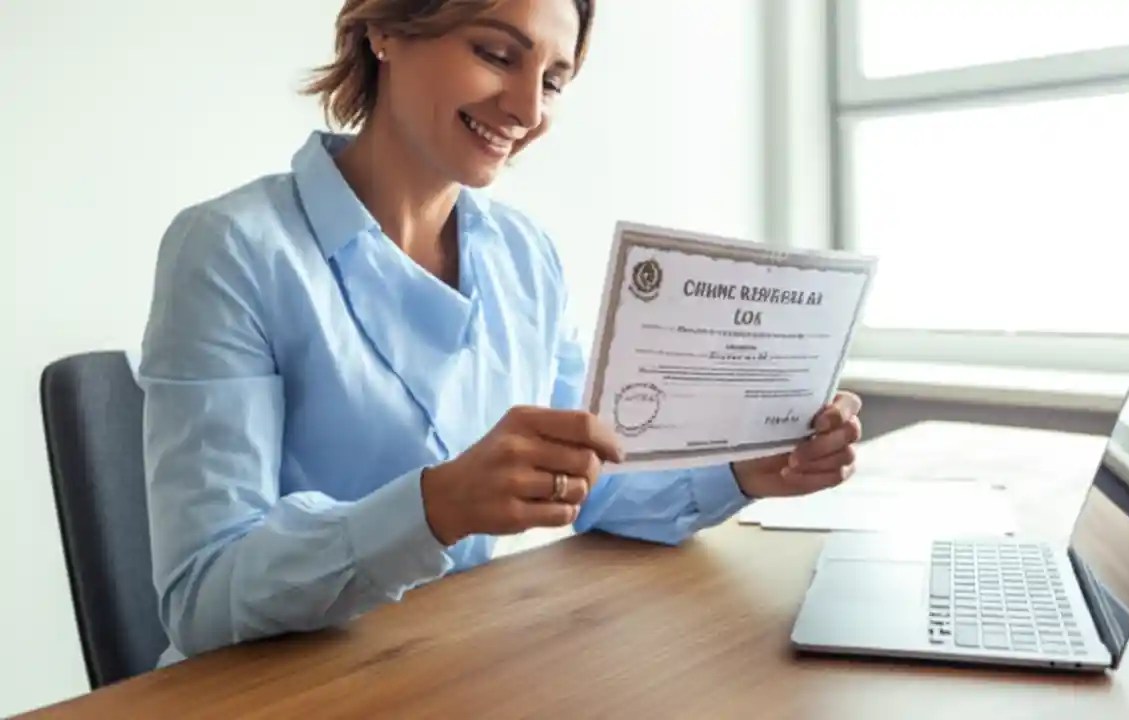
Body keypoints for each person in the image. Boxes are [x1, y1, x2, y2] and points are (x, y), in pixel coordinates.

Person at [138, 0, 864, 666]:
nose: (526, 109)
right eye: (495, 53)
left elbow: (596, 482)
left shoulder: (524, 255)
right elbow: (204, 595)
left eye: (552, 80)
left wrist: (742, 471)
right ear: (385, 28)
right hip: (274, 692)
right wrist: (434, 508)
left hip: (454, 668)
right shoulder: (231, 249)